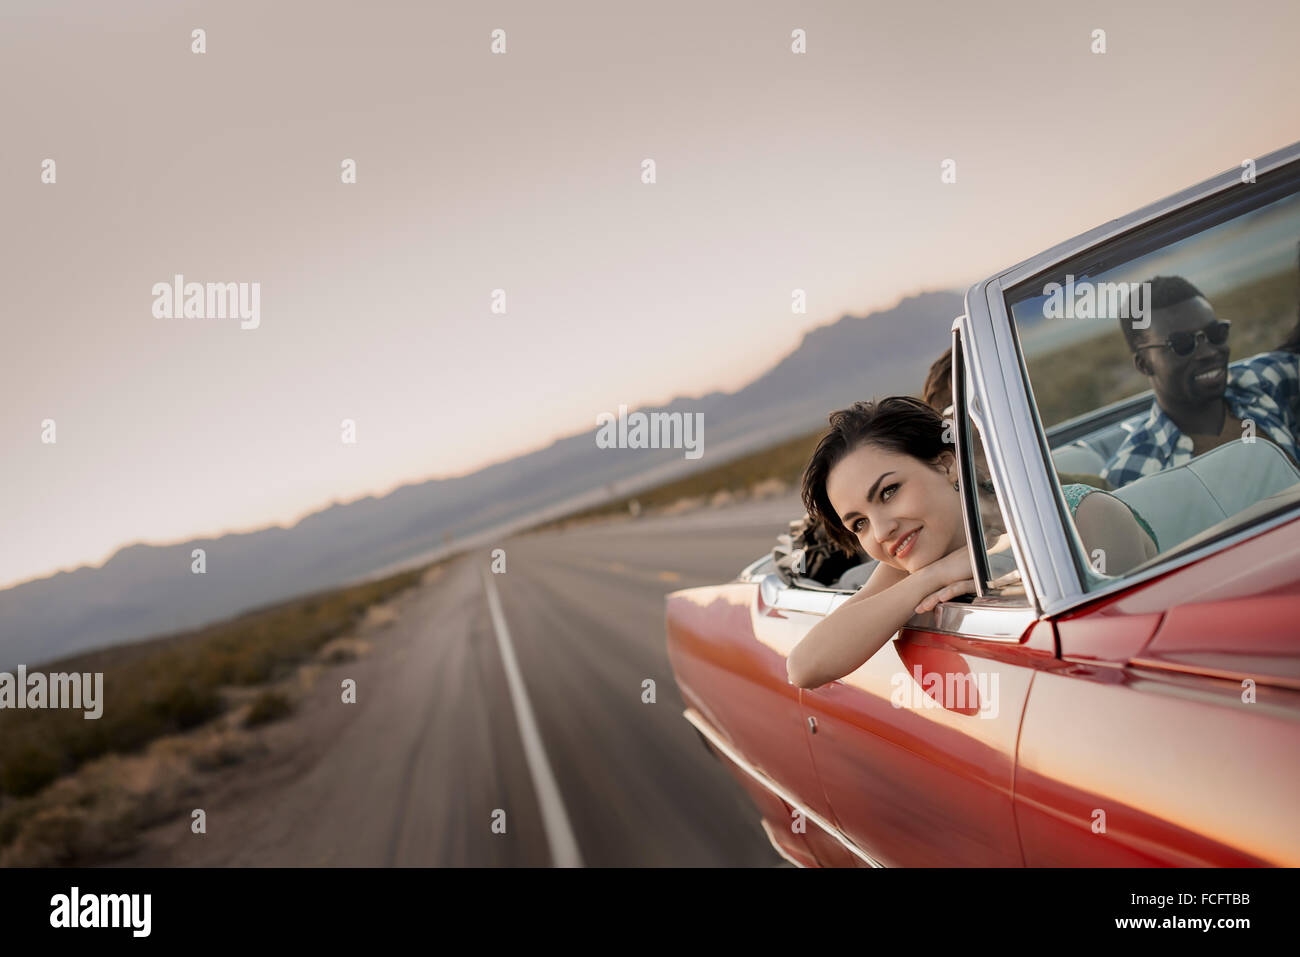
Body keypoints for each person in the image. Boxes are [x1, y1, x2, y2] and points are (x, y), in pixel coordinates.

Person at [786, 397, 1157, 689]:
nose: (881, 530)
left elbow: (1120, 667)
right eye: (860, 523)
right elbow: (805, 667)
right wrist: (938, 574)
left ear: (946, 466)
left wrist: (997, 565)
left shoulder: (1081, 518)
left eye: (889, 491)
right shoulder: (909, 561)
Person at [1101, 275, 1300, 487]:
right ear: (1144, 364)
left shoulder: (1263, 382)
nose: (1208, 352)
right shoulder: (1130, 475)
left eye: (1216, 333)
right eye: (1182, 344)